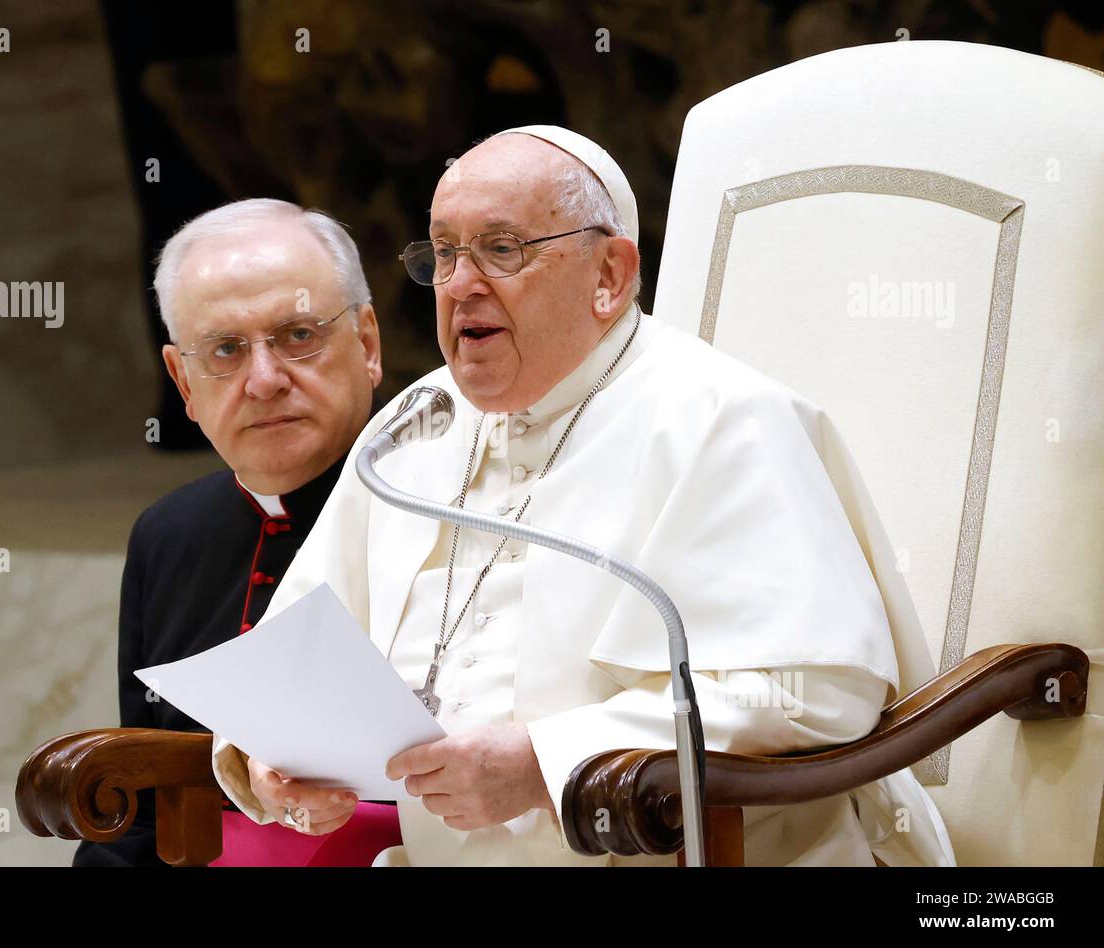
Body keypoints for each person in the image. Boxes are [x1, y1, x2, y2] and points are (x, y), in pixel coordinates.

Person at [211, 128, 956, 866]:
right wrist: (271, 751)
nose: (461, 283)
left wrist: (544, 762)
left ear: (609, 274)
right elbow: (296, 657)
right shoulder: (416, 425)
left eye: (502, 249)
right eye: (443, 254)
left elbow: (818, 693)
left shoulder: (720, 419)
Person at [74, 198, 399, 866]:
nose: (265, 380)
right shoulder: (170, 535)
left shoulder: (452, 503)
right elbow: (142, 798)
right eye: (225, 350)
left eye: (299, 335)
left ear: (367, 344)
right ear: (182, 383)